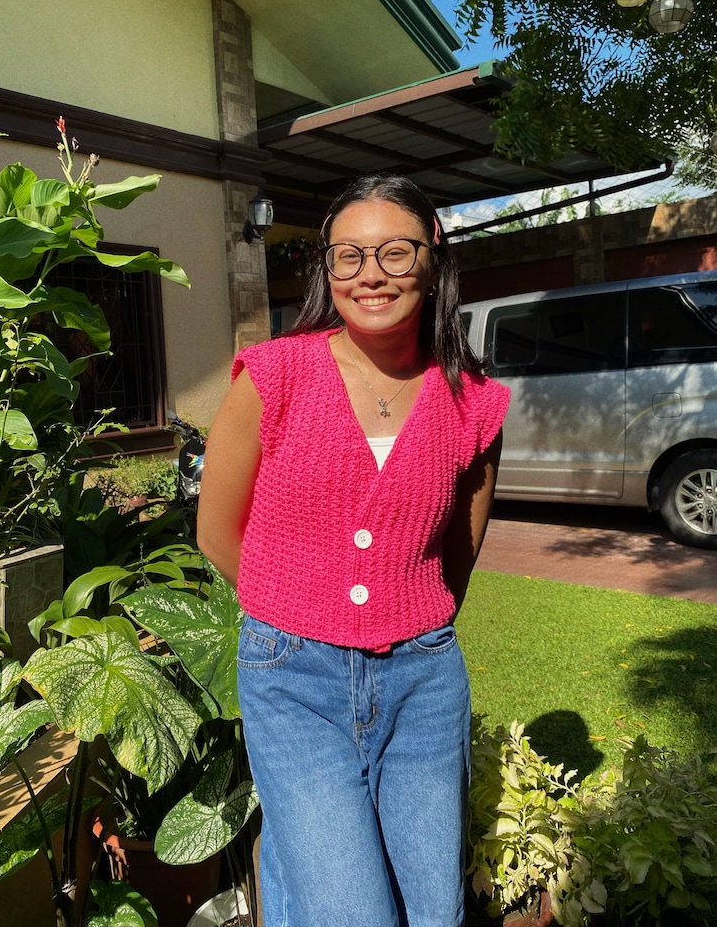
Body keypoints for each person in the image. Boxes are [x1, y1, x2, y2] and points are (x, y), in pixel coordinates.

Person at [196, 173, 510, 927]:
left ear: (434, 262)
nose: (371, 273)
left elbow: (456, 558)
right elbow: (216, 529)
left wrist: (403, 623)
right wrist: (296, 608)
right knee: (349, 909)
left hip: (422, 684)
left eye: (395, 253)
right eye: (349, 256)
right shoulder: (273, 376)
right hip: (293, 679)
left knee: (432, 906)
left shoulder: (476, 403)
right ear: (327, 270)